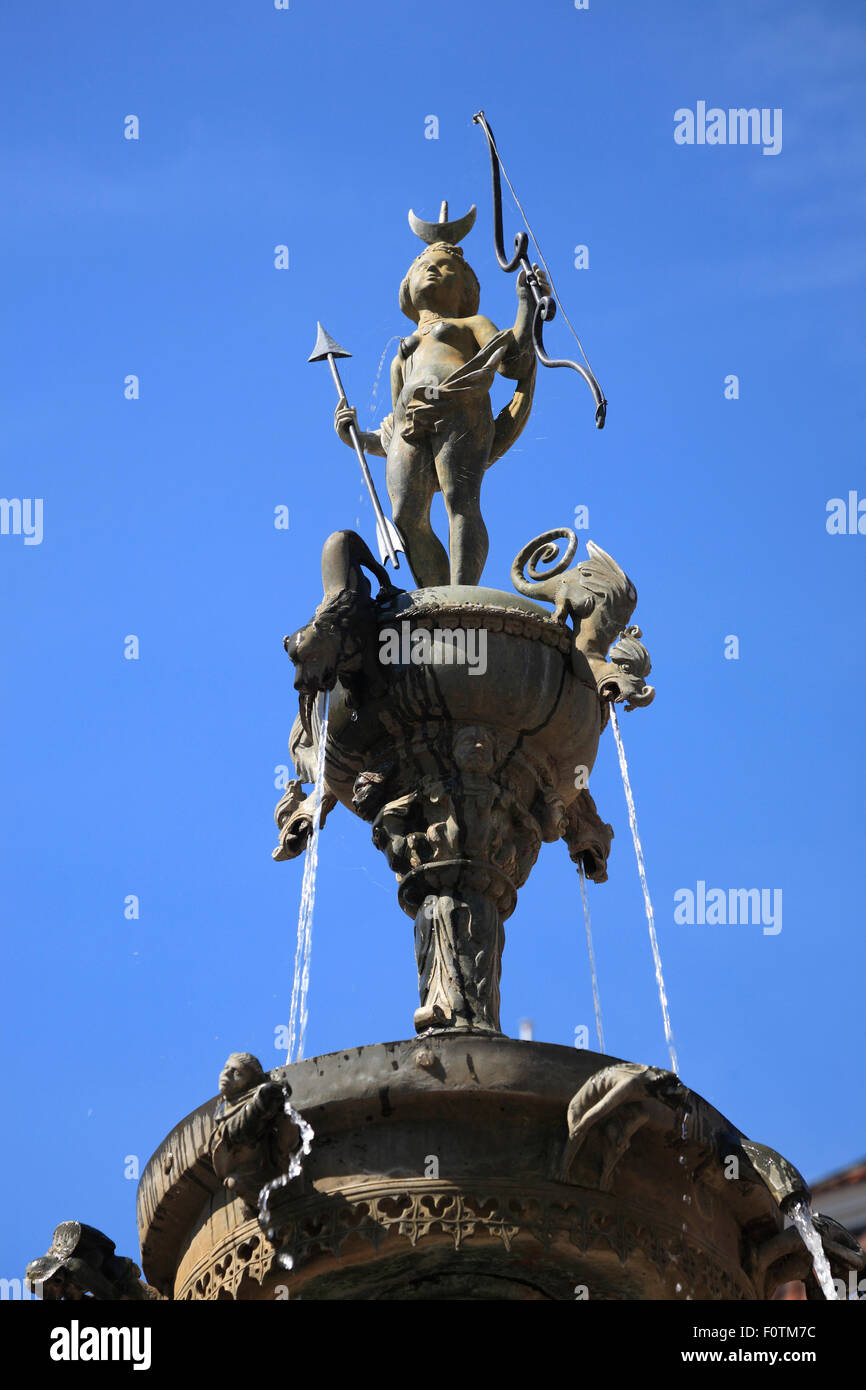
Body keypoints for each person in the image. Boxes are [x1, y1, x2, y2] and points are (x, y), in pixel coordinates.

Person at [335, 241, 547, 587]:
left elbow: (514, 362)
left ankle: (462, 593)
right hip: (410, 424)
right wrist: (356, 438)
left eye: (445, 266)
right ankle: (435, 596)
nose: (432, 269)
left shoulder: (473, 324)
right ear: (407, 288)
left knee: (460, 501)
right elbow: (389, 433)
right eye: (423, 266)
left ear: (466, 287)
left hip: (460, 407)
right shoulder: (402, 354)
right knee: (405, 514)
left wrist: (526, 304)